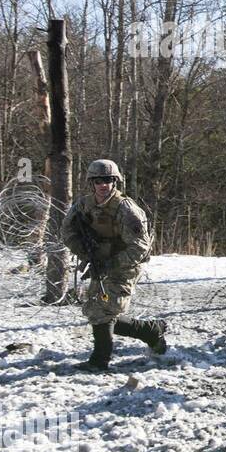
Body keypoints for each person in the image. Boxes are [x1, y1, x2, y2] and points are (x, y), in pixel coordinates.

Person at [60, 159, 167, 371]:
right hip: (100, 262)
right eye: (98, 180)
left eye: (108, 180)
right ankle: (150, 331)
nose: (103, 184)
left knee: (106, 310)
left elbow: (140, 248)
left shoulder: (126, 209)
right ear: (91, 182)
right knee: (95, 311)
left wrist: (112, 263)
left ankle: (99, 361)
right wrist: (86, 252)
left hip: (125, 265)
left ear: (115, 182)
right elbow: (67, 231)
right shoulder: (84, 205)